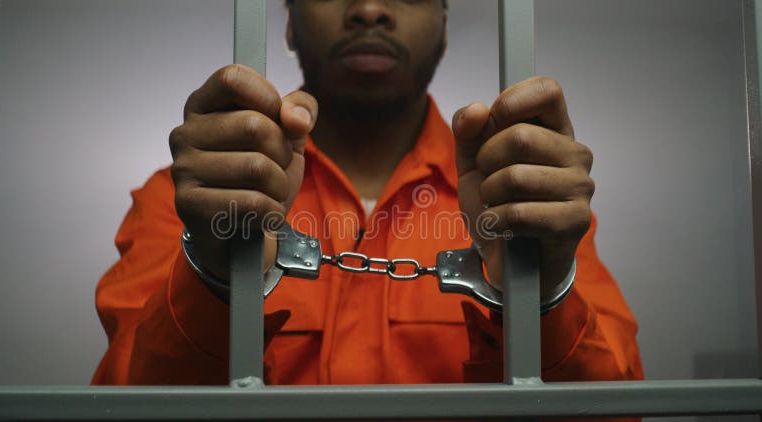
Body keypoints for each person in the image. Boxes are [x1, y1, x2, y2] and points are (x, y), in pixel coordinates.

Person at [93, 0, 643, 394]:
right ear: (286, 24)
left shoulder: (531, 206)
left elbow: (615, 410)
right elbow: (120, 406)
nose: (371, 9)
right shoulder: (188, 202)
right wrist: (213, 275)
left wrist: (539, 291)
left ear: (446, 31)